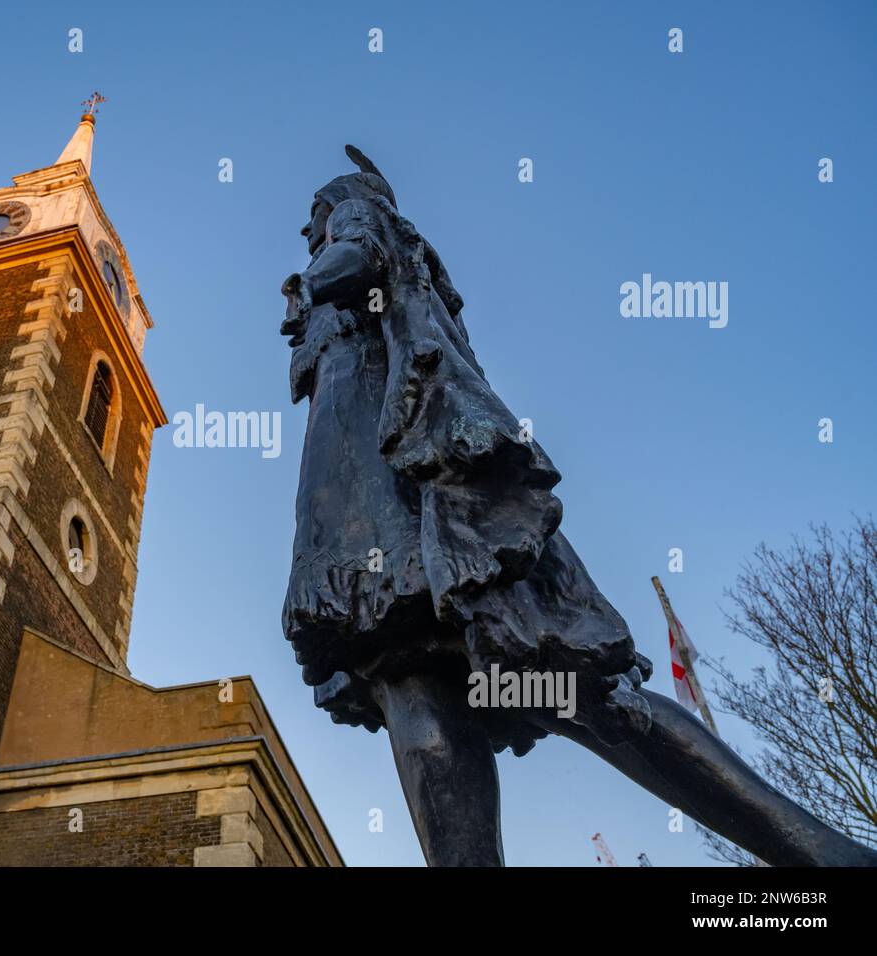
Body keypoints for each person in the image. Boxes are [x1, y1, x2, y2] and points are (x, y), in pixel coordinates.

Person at [280, 146, 877, 866]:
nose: (310, 230)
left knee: (588, 695)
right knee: (421, 701)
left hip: (426, 515)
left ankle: (822, 854)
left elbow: (354, 259)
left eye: (314, 217)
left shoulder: (355, 218)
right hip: (367, 529)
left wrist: (321, 265)